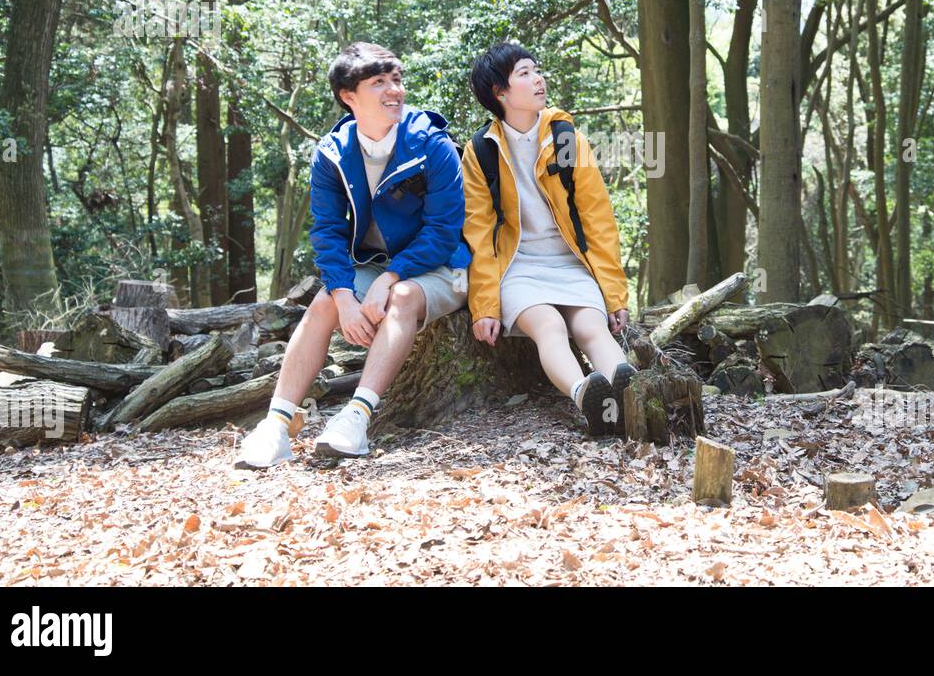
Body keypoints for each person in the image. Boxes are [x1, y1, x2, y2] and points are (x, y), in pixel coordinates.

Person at [236, 42, 470, 468]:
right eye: (379, 82)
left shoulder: (432, 143)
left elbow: (443, 230)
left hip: (440, 266)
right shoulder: (331, 152)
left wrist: (390, 277)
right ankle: (276, 425)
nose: (394, 90)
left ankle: (357, 417)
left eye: (396, 80)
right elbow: (327, 231)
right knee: (325, 302)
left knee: (399, 299)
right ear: (349, 96)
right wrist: (344, 293)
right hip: (373, 264)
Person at [461, 42, 635, 437]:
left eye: (536, 70)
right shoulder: (480, 151)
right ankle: (586, 396)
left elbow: (598, 220)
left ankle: (627, 389)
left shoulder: (566, 137)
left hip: (571, 262)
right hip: (518, 266)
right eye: (524, 73)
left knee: (593, 326)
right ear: (499, 92)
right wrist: (485, 305)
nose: (538, 78)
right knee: (549, 326)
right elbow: (479, 232)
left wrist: (614, 294)